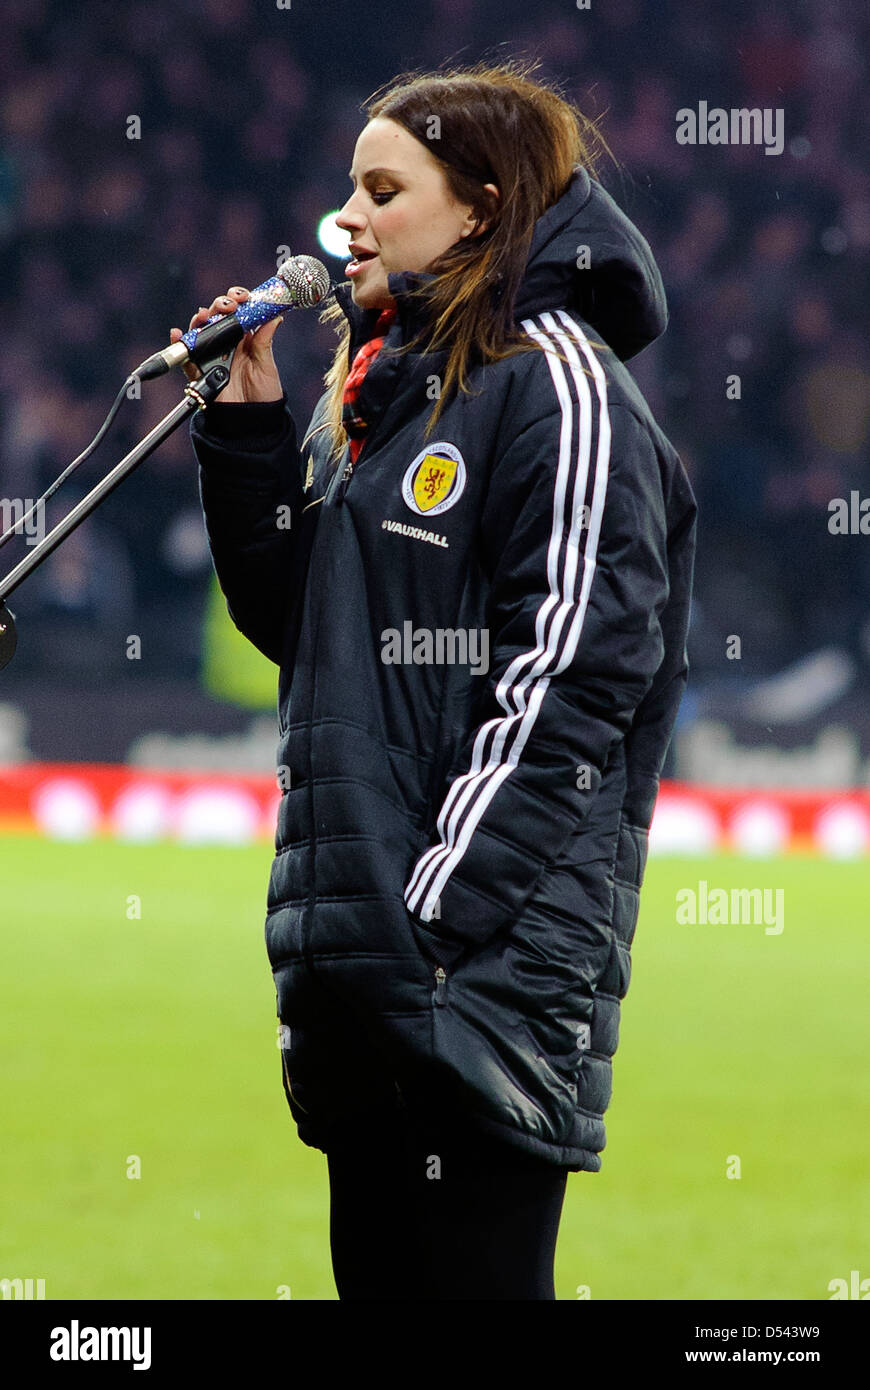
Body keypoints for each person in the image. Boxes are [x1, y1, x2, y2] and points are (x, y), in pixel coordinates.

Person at [181, 60, 697, 1301]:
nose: (342, 222)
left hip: (478, 971)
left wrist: (436, 919)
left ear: (480, 206)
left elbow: (577, 669)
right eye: (346, 190)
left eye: (380, 190)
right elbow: (310, 634)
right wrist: (250, 436)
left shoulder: (559, 383)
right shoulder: (382, 391)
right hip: (375, 961)